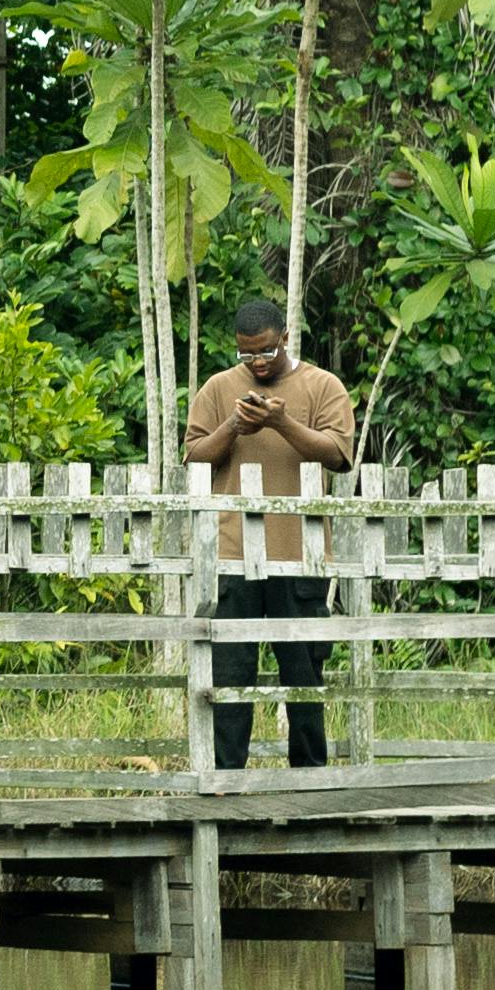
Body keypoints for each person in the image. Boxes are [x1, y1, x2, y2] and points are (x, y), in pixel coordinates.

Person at [183, 287, 358, 774]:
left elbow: (338, 455)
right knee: (231, 674)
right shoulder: (219, 388)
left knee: (303, 674)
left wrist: (281, 422)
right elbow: (194, 455)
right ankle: (225, 780)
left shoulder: (323, 387)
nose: (256, 360)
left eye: (265, 349)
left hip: (301, 555)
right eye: (246, 351)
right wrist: (233, 427)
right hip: (233, 554)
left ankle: (308, 780)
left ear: (285, 337)